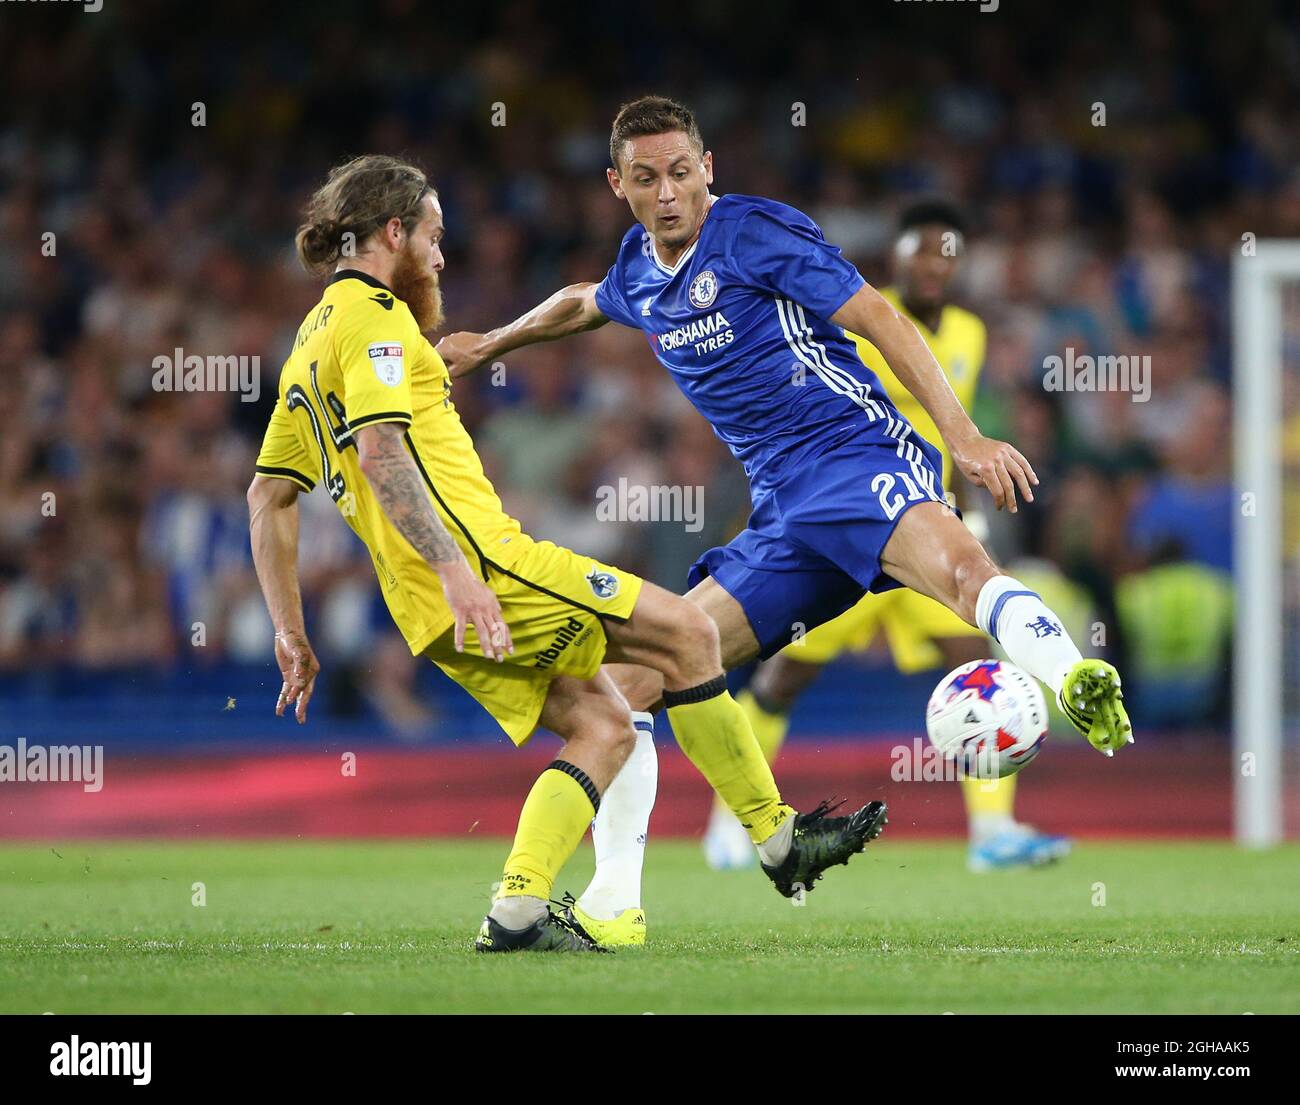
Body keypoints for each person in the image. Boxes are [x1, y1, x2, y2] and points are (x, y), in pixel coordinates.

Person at [438, 97, 1131, 942]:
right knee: (636, 685)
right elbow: (582, 302)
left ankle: (1070, 678)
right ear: (617, 183)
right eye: (648, 178)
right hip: (782, 516)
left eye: (683, 172)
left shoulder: (756, 232)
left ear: (709, 169)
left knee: (961, 575)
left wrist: (964, 434)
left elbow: (877, 314)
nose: (669, 193)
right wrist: (490, 344)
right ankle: (608, 906)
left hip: (855, 457)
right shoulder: (639, 271)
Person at [247, 155, 887, 955]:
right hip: (482, 569)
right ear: (393, 232)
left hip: (423, 609)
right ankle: (780, 844)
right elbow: (380, 452)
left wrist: (289, 631)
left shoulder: (310, 343)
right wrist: (458, 572)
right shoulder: (375, 318)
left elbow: (267, 497)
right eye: (435, 238)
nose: (443, 257)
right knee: (688, 633)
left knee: (603, 723)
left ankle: (516, 908)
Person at [703, 200, 1071, 874]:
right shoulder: (860, 318)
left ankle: (992, 830)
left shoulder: (968, 332)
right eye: (919, 250)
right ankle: (733, 820)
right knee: (788, 674)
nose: (932, 263)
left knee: (973, 659)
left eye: (946, 252)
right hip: (853, 524)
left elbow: (944, 433)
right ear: (895, 258)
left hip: (927, 529)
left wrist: (969, 522)